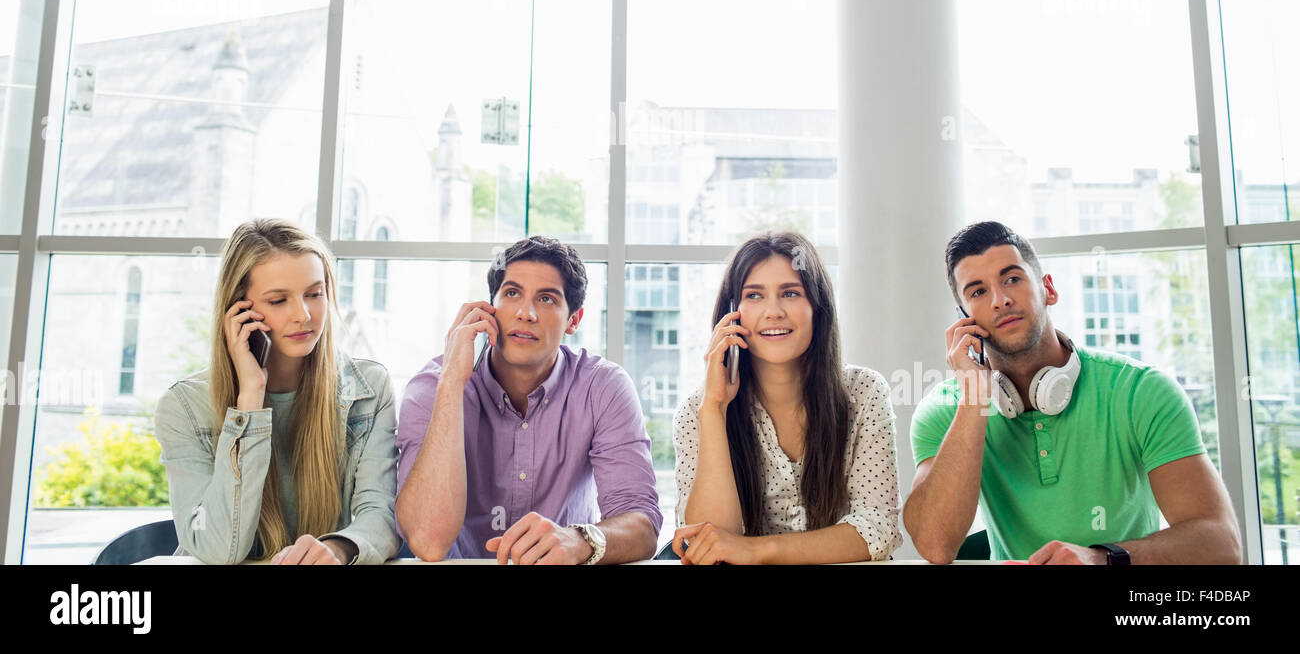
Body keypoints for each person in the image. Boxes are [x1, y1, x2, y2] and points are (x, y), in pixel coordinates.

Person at [904, 220, 1242, 564]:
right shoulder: (946, 410)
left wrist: (1102, 560)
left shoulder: (1142, 391)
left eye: (1012, 279)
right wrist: (974, 398)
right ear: (964, 320)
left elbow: (1221, 545)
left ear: (1047, 289)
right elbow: (934, 545)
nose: (1000, 300)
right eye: (978, 292)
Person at [396, 235, 661, 563]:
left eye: (547, 299)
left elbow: (643, 526)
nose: (526, 313)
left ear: (573, 320)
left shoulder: (603, 387)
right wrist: (452, 383)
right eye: (511, 293)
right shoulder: (432, 386)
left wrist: (579, 540)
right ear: (489, 307)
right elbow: (427, 541)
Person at [154, 218, 400, 565]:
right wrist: (250, 399)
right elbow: (217, 549)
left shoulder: (369, 390)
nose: (303, 315)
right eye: (278, 300)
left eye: (314, 294)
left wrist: (338, 549)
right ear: (239, 311)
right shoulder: (184, 408)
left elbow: (380, 513)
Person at [670, 231, 902, 564]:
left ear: (816, 307)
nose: (773, 311)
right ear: (731, 314)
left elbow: (878, 528)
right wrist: (715, 410)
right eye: (754, 296)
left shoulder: (863, 392)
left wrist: (757, 550)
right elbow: (707, 545)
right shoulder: (699, 410)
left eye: (790, 293)